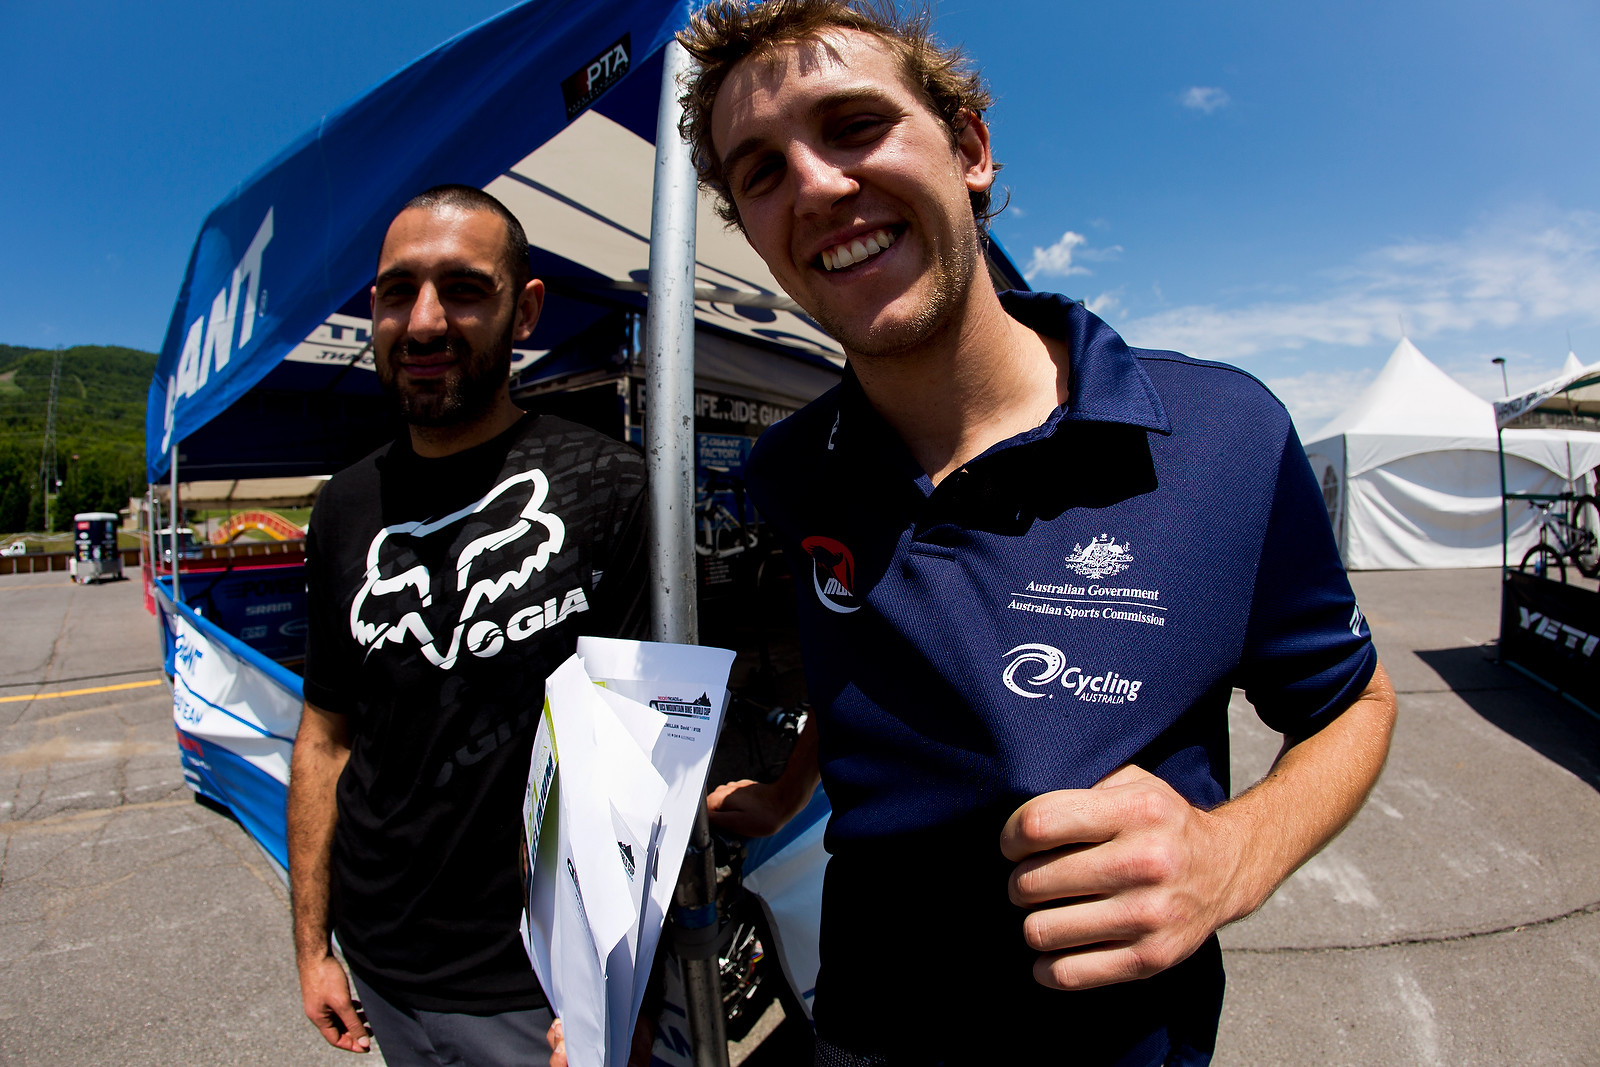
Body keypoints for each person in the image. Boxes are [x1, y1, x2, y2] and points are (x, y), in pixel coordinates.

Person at [679, 2, 1398, 1064]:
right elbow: (866, 668)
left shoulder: (1219, 434)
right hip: (859, 1033)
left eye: (852, 126)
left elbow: (1353, 702)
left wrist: (1234, 850)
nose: (817, 188)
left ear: (968, 148)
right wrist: (787, 789)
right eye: (762, 172)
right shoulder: (788, 472)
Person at [288, 185, 648, 1065]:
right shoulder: (344, 504)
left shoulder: (607, 483)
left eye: (463, 288)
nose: (423, 322)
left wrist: (613, 980)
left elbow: (645, 753)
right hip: (379, 959)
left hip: (534, 983)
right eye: (396, 291)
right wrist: (311, 947)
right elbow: (325, 738)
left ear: (523, 311)